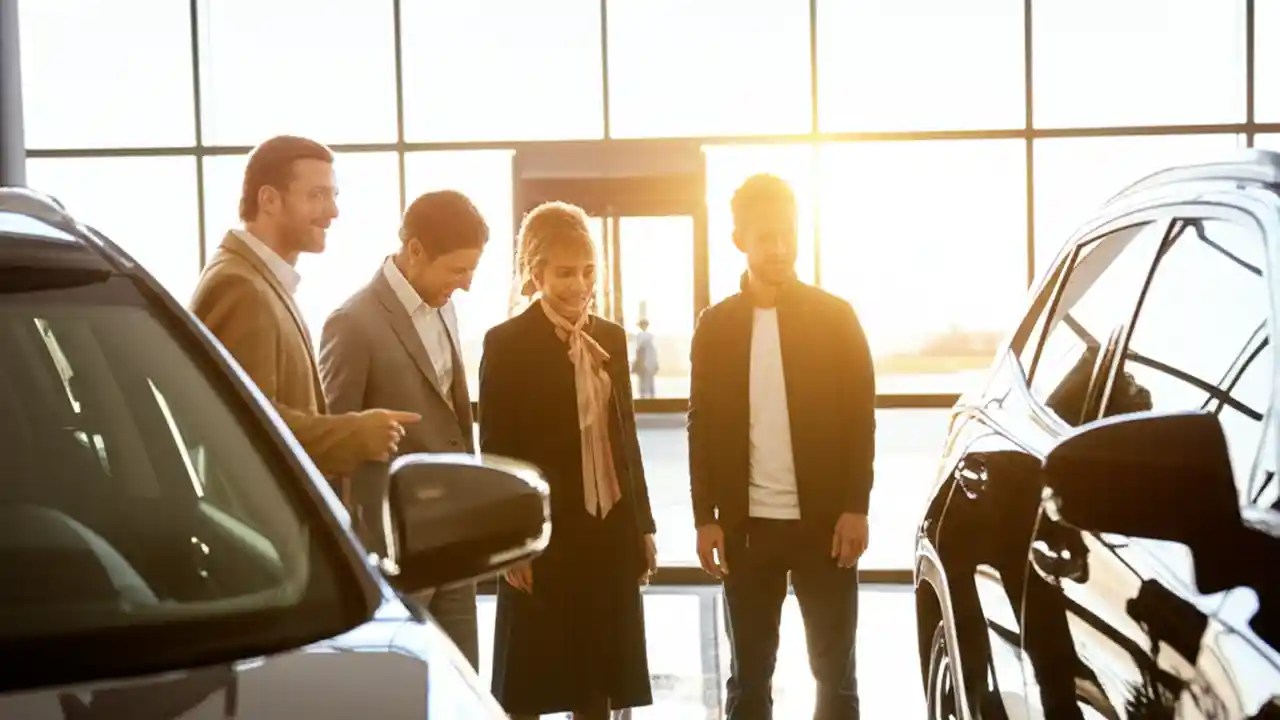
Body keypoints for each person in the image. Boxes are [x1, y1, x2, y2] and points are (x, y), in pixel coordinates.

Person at [687, 174, 876, 720]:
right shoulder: (716, 326)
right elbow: (700, 424)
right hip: (749, 530)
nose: (779, 248)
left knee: (835, 677)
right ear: (739, 239)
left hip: (825, 527)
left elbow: (859, 421)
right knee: (749, 679)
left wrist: (855, 507)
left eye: (787, 234)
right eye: (765, 236)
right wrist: (706, 516)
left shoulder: (835, 318)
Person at [480, 201, 657, 720]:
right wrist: (511, 546)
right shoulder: (506, 344)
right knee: (529, 686)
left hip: (605, 530)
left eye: (587, 271)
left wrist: (641, 526)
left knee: (597, 683)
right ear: (535, 274)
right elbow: (496, 453)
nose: (578, 284)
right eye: (563, 273)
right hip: (542, 533)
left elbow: (625, 441)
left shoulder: (612, 338)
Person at [317, 190, 489, 669]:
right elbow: (330, 444)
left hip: (455, 543)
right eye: (458, 270)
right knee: (401, 688)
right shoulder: (352, 324)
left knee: (463, 682)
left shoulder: (446, 308)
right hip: (392, 554)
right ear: (414, 251)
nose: (467, 284)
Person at [189, 135, 419, 488]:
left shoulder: (259, 279)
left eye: (333, 196)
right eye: (317, 195)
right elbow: (243, 421)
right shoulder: (241, 286)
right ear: (268, 200)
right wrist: (355, 434)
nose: (333, 212)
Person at [631, 318, 659, 398]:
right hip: (649, 359)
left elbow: (638, 349)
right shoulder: (650, 336)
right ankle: (650, 394)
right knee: (648, 378)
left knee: (643, 379)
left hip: (643, 358)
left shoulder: (640, 336)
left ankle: (644, 395)